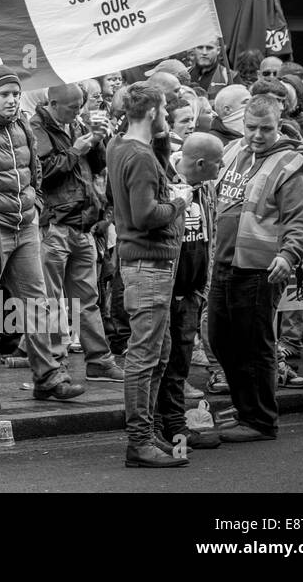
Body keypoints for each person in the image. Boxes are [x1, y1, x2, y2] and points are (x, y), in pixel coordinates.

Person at [0, 66, 80, 407]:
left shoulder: (22, 126)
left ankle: (50, 374)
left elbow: (36, 172)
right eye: (5, 94)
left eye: (16, 94)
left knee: (39, 301)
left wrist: (36, 203)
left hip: (25, 224)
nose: (13, 100)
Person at [208, 95, 303, 443]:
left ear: (278, 123)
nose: (256, 135)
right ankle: (243, 409)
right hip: (223, 263)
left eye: (265, 128)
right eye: (250, 127)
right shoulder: (233, 151)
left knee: (254, 345)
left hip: (259, 267)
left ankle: (260, 421)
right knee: (221, 339)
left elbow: (299, 219)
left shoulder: (289, 162)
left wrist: (289, 254)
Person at [107, 83, 190, 468]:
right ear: (153, 111)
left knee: (160, 351)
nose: (168, 117)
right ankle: (139, 441)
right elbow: (145, 215)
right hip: (148, 265)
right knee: (144, 356)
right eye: (164, 110)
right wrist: (179, 203)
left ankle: (146, 435)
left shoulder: (119, 145)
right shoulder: (138, 156)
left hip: (146, 265)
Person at [32, 84, 121, 384]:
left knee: (88, 298)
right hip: (55, 223)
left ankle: (99, 360)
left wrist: (97, 141)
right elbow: (43, 173)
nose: (78, 112)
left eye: (81, 105)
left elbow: (98, 168)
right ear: (53, 104)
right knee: (52, 300)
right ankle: (56, 364)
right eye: (72, 107)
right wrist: (75, 150)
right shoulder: (37, 128)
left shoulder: (77, 124)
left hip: (82, 223)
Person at [155, 132, 226, 452]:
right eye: (217, 162)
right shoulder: (163, 179)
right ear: (200, 163)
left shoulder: (206, 185)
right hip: (165, 289)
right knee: (161, 362)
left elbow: (208, 234)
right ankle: (161, 426)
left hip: (192, 290)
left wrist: (201, 287)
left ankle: (174, 423)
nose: (222, 167)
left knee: (180, 361)